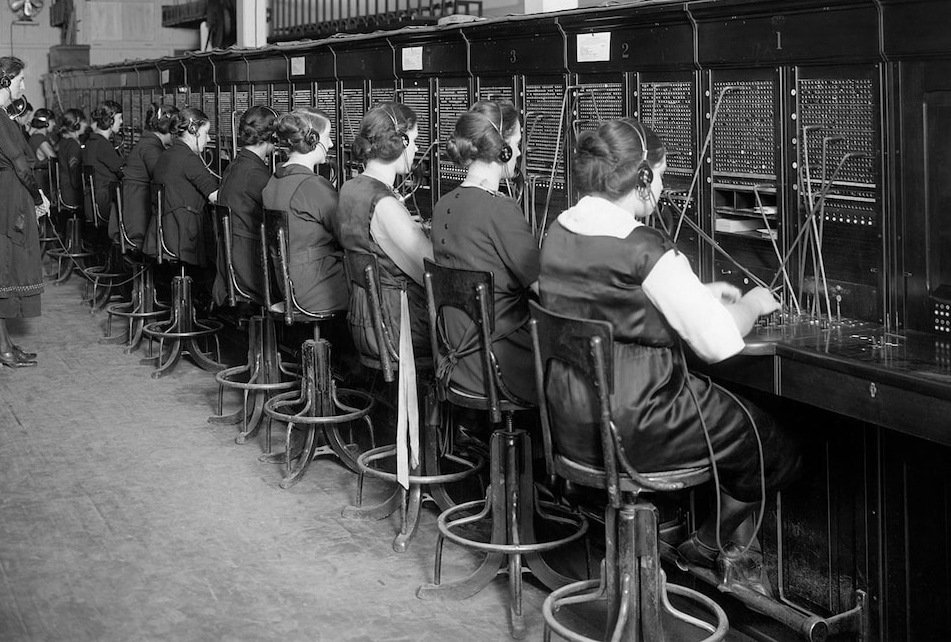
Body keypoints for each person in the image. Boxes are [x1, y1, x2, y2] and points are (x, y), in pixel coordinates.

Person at [537, 117, 801, 592]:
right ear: (641, 177)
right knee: (771, 442)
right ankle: (712, 543)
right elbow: (719, 343)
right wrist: (753, 304)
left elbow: (608, 297)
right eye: (660, 174)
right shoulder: (646, 249)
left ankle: (708, 548)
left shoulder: (560, 229)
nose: (662, 185)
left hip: (571, 419)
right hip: (640, 422)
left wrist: (695, 291)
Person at [430, 99, 538, 402]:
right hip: (501, 365)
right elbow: (545, 288)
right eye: (516, 144)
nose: (518, 152)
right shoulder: (499, 209)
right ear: (501, 149)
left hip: (456, 363)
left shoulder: (442, 205)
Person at [0, 56, 50, 369]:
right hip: (7, 198)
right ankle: (0, 348)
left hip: (6, 195)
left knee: (7, 269)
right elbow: (19, 163)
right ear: (6, 81)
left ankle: (4, 345)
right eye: (20, 80)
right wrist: (37, 197)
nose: (23, 85)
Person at [337, 103, 432, 357]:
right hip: (396, 325)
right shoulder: (385, 204)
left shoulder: (350, 188)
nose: (416, 149)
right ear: (398, 142)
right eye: (413, 141)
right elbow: (431, 269)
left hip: (364, 316)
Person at [261, 107, 348, 314]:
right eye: (327, 137)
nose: (331, 144)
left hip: (288, 285)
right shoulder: (312, 185)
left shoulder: (274, 180)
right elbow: (347, 234)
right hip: (317, 289)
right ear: (313, 140)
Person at [213, 105, 277, 304]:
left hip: (230, 265)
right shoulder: (255, 174)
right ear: (272, 137)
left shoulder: (236, 166)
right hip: (250, 271)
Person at [143, 107, 219, 268]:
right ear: (194, 131)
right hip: (184, 236)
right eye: (206, 133)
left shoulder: (167, 154)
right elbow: (216, 197)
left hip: (167, 232)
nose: (209, 139)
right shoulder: (188, 159)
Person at [118, 102, 176, 248]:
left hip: (133, 211)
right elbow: (164, 179)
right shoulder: (151, 148)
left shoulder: (146, 142)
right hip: (138, 219)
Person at [82, 100, 124, 227]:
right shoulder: (102, 144)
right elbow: (121, 169)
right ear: (110, 120)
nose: (121, 122)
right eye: (119, 118)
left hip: (93, 201)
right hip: (105, 202)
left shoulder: (92, 141)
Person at [56, 109, 86, 213]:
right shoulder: (72, 145)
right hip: (72, 194)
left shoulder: (64, 142)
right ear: (76, 125)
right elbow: (76, 177)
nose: (85, 125)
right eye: (83, 122)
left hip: (64, 190)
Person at [27, 108, 57, 200]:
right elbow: (53, 158)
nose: (54, 124)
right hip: (42, 182)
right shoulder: (39, 139)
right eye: (52, 121)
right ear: (46, 122)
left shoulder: (38, 137)